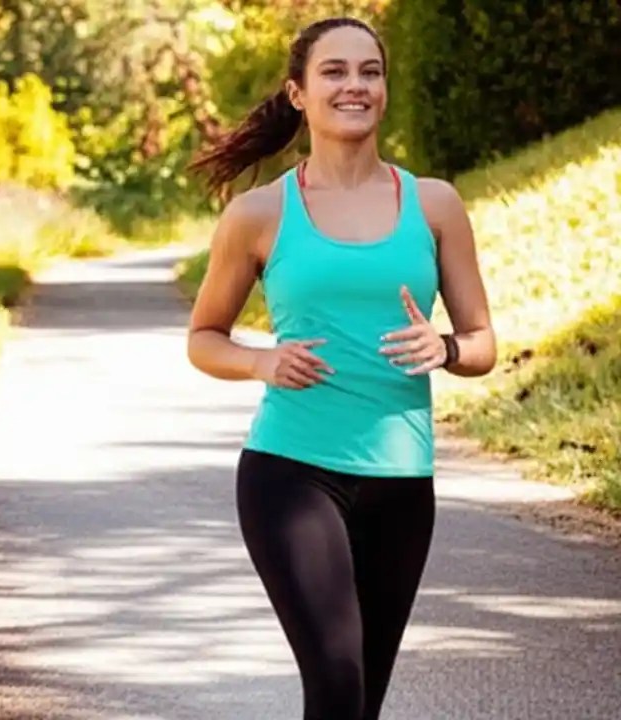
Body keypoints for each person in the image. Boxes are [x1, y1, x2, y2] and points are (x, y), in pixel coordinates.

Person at [185, 17, 495, 720]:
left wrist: (443, 348)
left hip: (403, 483)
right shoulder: (257, 214)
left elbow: (483, 342)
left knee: (360, 701)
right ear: (298, 93)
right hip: (292, 474)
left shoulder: (435, 204)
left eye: (369, 71)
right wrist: (262, 361)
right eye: (334, 72)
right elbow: (204, 336)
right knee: (336, 677)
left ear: (384, 89)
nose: (354, 85)